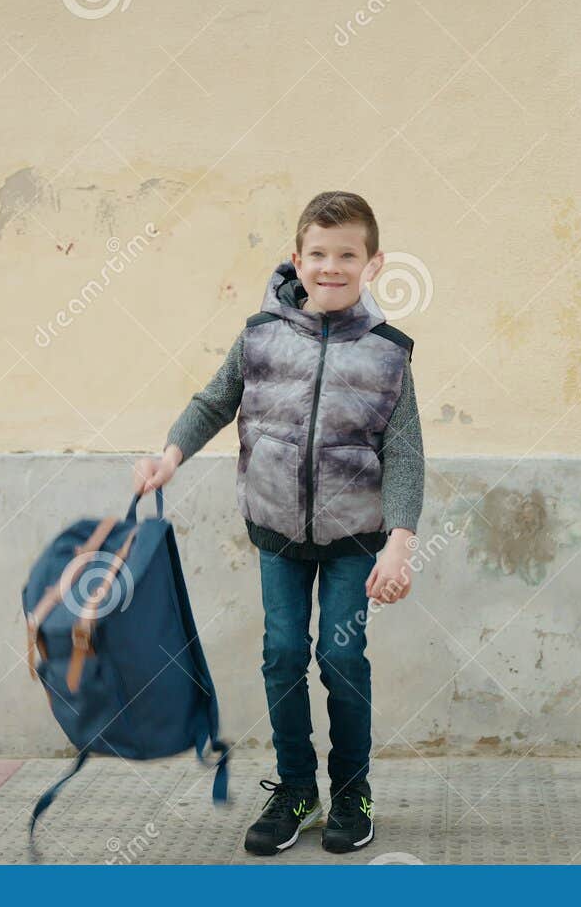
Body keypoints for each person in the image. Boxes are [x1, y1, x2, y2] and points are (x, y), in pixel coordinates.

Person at [132, 191, 424, 855]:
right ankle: (297, 787)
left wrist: (400, 544)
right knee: (283, 656)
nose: (330, 267)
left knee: (342, 657)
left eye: (346, 255)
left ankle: (351, 791)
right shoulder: (260, 336)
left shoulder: (388, 354)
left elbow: (404, 453)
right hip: (277, 531)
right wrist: (169, 455)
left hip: (356, 537)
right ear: (297, 258)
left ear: (372, 264)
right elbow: (214, 400)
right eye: (318, 254)